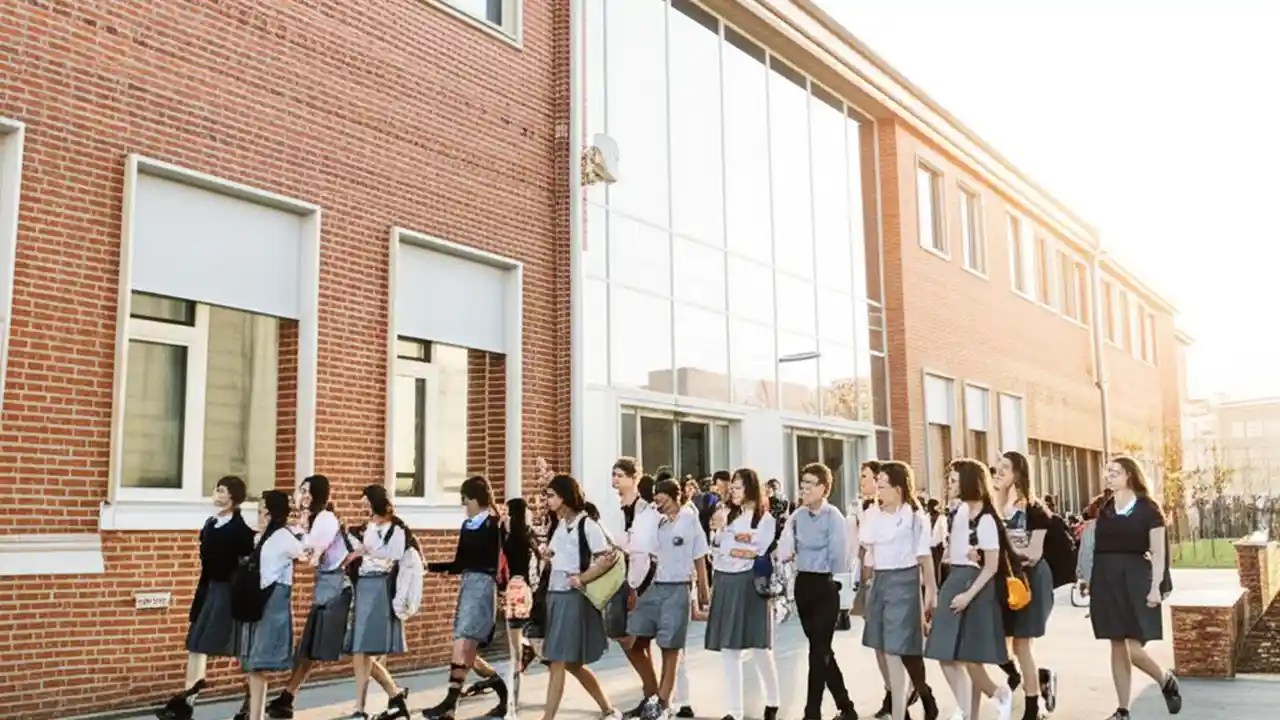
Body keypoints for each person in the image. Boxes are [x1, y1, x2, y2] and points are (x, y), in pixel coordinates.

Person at [1078, 456, 1182, 720]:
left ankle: (1164, 679)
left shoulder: (1149, 509)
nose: (1108, 476)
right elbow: (1091, 544)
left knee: (1132, 647)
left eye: (1114, 472)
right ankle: (1123, 710)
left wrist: (1156, 587)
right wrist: (1088, 578)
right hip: (1105, 579)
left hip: (1137, 578)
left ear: (1129, 475)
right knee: (1116, 643)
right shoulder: (1105, 507)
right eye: (1107, 472)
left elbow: (1158, 553)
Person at [156, 476, 255, 720]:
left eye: (221, 490)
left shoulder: (241, 531)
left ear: (232, 496)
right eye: (216, 489)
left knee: (238, 648)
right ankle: (186, 701)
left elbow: (246, 565)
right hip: (209, 589)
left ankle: (251, 700)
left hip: (229, 593)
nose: (216, 493)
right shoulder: (211, 524)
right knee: (197, 645)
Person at [923, 460, 1015, 720]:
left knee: (970, 657)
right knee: (950, 653)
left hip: (975, 588)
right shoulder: (961, 511)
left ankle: (997, 695)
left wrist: (967, 596)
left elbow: (992, 567)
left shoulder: (985, 517)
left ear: (968, 482)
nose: (949, 485)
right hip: (957, 580)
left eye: (954, 480)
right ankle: (969, 710)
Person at [776, 462, 858, 720]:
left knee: (818, 650)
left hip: (826, 585)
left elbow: (840, 559)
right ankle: (846, 707)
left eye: (810, 485)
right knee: (821, 650)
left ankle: (812, 711)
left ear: (824, 488)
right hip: (804, 585)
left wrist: (842, 595)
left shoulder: (834, 517)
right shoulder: (797, 516)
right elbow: (784, 552)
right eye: (802, 485)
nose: (804, 489)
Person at [623, 478, 711, 720]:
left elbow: (700, 555)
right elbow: (639, 547)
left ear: (673, 496)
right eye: (655, 497)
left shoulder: (689, 519)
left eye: (660, 497)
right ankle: (651, 693)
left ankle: (663, 702)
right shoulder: (654, 519)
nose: (657, 501)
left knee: (671, 647)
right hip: (652, 587)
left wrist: (704, 589)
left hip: (678, 587)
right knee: (633, 639)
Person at [422, 476, 508, 719]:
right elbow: (460, 562)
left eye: (466, 499)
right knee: (465, 648)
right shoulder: (467, 526)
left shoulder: (494, 525)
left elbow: (501, 560)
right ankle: (501, 688)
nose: (464, 505)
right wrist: (432, 567)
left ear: (476, 499)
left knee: (463, 643)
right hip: (468, 584)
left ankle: (450, 702)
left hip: (483, 586)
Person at [860, 462, 940, 720]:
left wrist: (931, 591)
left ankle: (901, 710)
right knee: (882, 647)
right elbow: (868, 551)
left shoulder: (915, 517)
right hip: (880, 582)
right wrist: (866, 585)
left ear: (898, 488)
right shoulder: (872, 514)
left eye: (883, 486)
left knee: (898, 650)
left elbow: (925, 557)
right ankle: (908, 701)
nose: (878, 491)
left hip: (904, 583)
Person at [540, 474, 623, 720]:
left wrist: (583, 578)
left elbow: (606, 558)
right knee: (572, 664)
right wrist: (547, 554)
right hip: (555, 596)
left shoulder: (587, 524)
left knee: (557, 660)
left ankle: (547, 719)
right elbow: (557, 555)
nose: (548, 500)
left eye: (551, 495)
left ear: (564, 496)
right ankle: (608, 708)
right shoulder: (559, 524)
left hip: (572, 598)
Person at [706, 468, 781, 720]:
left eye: (738, 487)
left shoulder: (765, 519)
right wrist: (730, 539)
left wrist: (731, 540)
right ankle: (734, 711)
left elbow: (756, 550)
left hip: (750, 582)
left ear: (750, 488)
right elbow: (716, 548)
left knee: (760, 646)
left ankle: (772, 701)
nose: (733, 491)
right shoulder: (725, 513)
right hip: (725, 580)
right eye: (732, 487)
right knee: (730, 648)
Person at [992, 452, 1058, 720]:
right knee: (997, 643)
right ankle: (1037, 677)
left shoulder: (1034, 509)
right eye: (996, 469)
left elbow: (1034, 552)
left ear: (1018, 473)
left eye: (1004, 468)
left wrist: (1002, 550)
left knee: (1021, 644)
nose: (998, 473)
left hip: (1029, 580)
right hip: (1002, 579)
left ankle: (1033, 707)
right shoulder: (992, 506)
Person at [345, 486, 415, 720]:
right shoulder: (369, 527)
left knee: (365, 648)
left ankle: (367, 704)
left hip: (380, 585)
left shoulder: (396, 529)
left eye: (366, 501)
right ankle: (364, 704)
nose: (363, 505)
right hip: (363, 585)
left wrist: (365, 552)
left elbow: (393, 556)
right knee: (359, 648)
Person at [239, 490, 307, 720]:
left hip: (271, 603)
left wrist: (303, 530)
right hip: (259, 602)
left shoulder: (282, 537)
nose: (259, 516)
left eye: (262, 511)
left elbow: (305, 554)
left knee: (257, 664)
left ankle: (255, 714)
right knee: (253, 666)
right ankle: (253, 713)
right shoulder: (263, 537)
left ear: (270, 514)